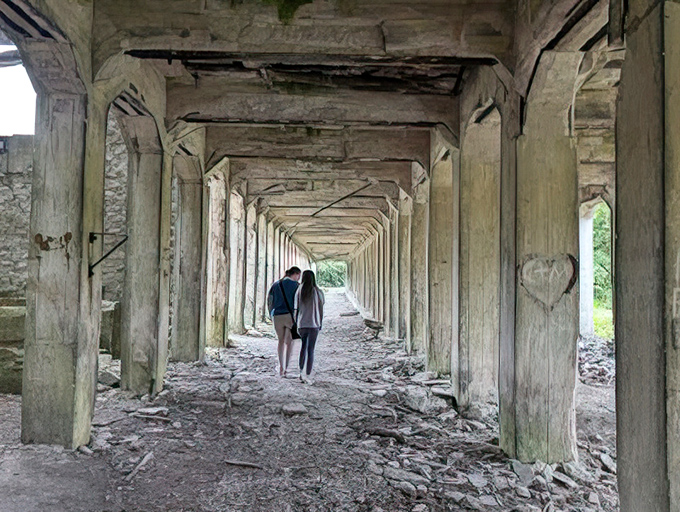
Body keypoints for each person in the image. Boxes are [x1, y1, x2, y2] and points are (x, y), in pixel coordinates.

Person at [267, 266, 301, 377]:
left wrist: (271, 313)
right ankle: (286, 368)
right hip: (290, 316)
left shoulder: (276, 285)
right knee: (289, 342)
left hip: (277, 316)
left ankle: (281, 366)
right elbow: (299, 302)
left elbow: (270, 300)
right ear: (295, 274)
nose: (298, 278)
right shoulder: (296, 285)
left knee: (280, 341)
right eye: (298, 276)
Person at [294, 269, 325, 384]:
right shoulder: (318, 291)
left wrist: (296, 322)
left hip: (302, 324)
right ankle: (308, 374)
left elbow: (295, 308)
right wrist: (320, 322)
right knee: (311, 349)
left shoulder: (299, 290)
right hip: (314, 324)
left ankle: (300, 371)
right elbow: (321, 309)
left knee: (303, 348)